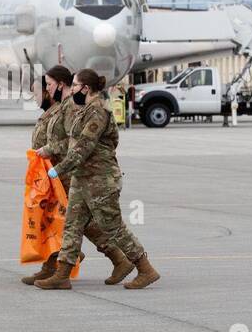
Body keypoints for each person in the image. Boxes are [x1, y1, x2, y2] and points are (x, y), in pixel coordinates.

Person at [35, 69, 159, 290]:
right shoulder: (84, 111)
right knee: (72, 224)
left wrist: (59, 168)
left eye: (74, 85)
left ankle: (145, 268)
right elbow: (72, 143)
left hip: (101, 179)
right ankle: (62, 274)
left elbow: (84, 147)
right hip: (82, 177)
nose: (71, 89)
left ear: (86, 88)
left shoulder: (98, 112)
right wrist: (51, 151)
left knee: (112, 226)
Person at [25, 66, 130, 285]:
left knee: (81, 222)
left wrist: (52, 154)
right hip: (55, 173)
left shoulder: (74, 108)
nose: (46, 89)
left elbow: (75, 144)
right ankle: (54, 264)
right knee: (59, 221)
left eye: (49, 84)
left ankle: (119, 258)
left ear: (60, 85)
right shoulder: (62, 107)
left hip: (69, 172)